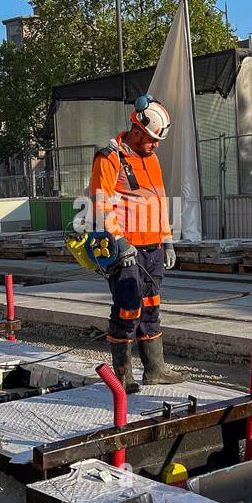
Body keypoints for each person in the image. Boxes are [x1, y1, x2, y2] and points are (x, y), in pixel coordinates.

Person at [87, 96, 182, 393]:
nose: (155, 145)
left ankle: (155, 369)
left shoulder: (151, 159)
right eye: (152, 139)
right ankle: (123, 374)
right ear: (137, 130)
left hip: (152, 248)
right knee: (128, 309)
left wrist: (166, 240)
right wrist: (119, 242)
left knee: (151, 306)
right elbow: (100, 205)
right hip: (126, 251)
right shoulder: (109, 157)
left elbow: (159, 200)